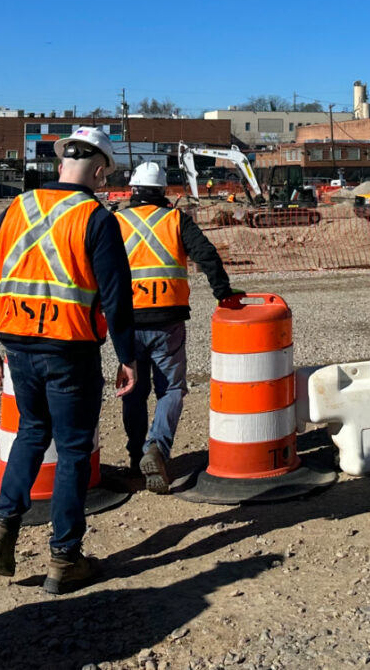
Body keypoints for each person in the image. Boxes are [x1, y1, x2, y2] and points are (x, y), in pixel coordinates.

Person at [0, 125, 137, 595]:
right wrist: (128, 356)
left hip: (18, 344)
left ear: (61, 160)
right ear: (101, 170)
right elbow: (116, 299)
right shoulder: (97, 218)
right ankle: (64, 558)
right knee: (71, 451)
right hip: (71, 351)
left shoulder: (15, 209)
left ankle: (3, 530)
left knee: (30, 432)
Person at [116, 161, 240, 493]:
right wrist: (223, 293)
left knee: (134, 390)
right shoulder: (175, 219)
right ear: (163, 192)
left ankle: (134, 457)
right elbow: (206, 254)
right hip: (167, 319)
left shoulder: (116, 221)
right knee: (171, 389)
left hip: (127, 320)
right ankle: (157, 447)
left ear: (132, 191)